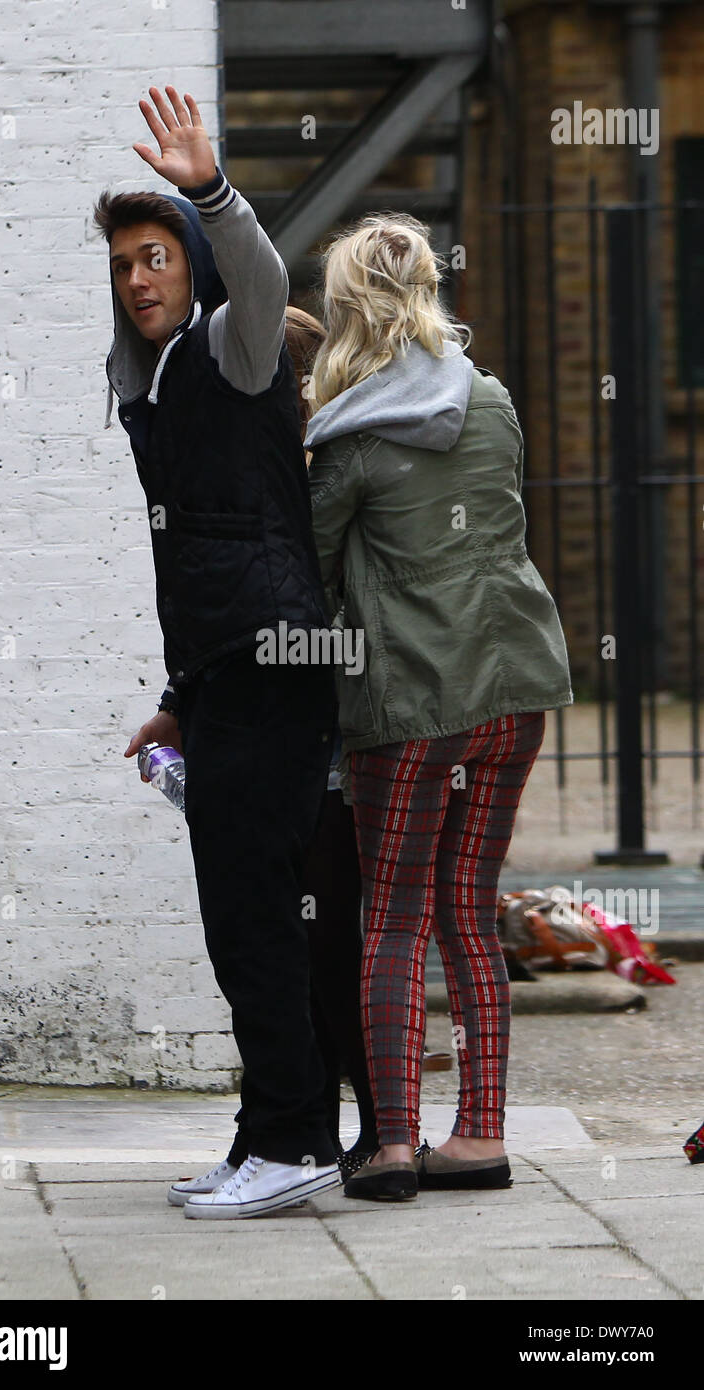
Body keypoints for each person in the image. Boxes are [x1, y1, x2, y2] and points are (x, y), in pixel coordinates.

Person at [99, 86, 341, 1218]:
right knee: (244, 912)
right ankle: (268, 1133)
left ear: (189, 262)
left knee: (252, 911)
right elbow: (198, 569)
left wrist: (209, 188)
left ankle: (294, 1139)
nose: (139, 278)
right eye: (123, 267)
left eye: (155, 256)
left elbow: (266, 282)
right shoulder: (154, 390)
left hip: (276, 663)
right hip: (233, 671)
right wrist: (177, 699)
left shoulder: (236, 349)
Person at [305, 213, 574, 1201]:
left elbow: (315, 569)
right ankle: (480, 1136)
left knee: (391, 915)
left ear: (343, 308)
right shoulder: (491, 399)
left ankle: (387, 1148)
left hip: (413, 700)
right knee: (468, 910)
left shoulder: (347, 437)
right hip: (512, 687)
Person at [284, 307, 378, 1177]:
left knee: (333, 940)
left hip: (339, 748)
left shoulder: (330, 470)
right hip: (303, 746)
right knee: (310, 938)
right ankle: (321, 1119)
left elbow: (343, 616)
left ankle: (378, 1120)